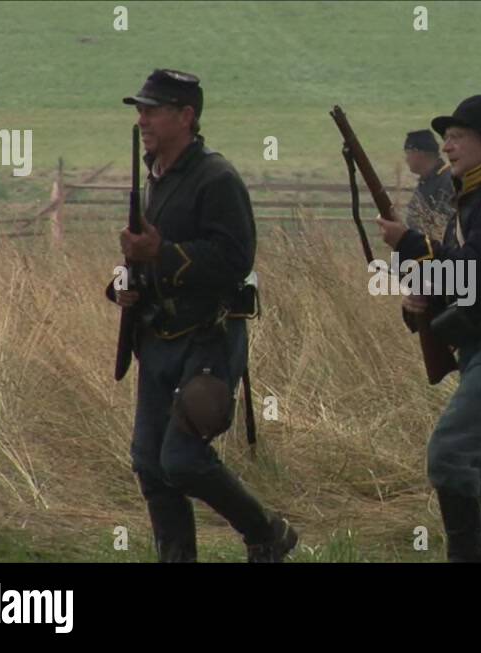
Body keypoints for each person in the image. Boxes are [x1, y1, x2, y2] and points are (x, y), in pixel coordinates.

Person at [108, 69, 297, 562]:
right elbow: (148, 256)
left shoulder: (217, 178)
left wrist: (162, 253)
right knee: (150, 465)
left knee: (183, 460)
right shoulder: (156, 173)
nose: (142, 118)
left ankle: (265, 532)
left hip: (209, 337)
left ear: (186, 116)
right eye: (140, 109)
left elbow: (235, 260)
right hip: (159, 337)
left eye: (153, 109)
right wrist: (125, 284)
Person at [376, 95, 481, 562]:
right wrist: (419, 303)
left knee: (449, 457)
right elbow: (457, 280)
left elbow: (471, 274)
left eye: (456, 137)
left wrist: (410, 242)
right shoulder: (473, 201)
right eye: (446, 139)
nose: (447, 147)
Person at [402, 129, 454, 239]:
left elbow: (443, 225)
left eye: (408, 153)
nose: (406, 159)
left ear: (419, 153)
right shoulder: (425, 181)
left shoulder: (448, 181)